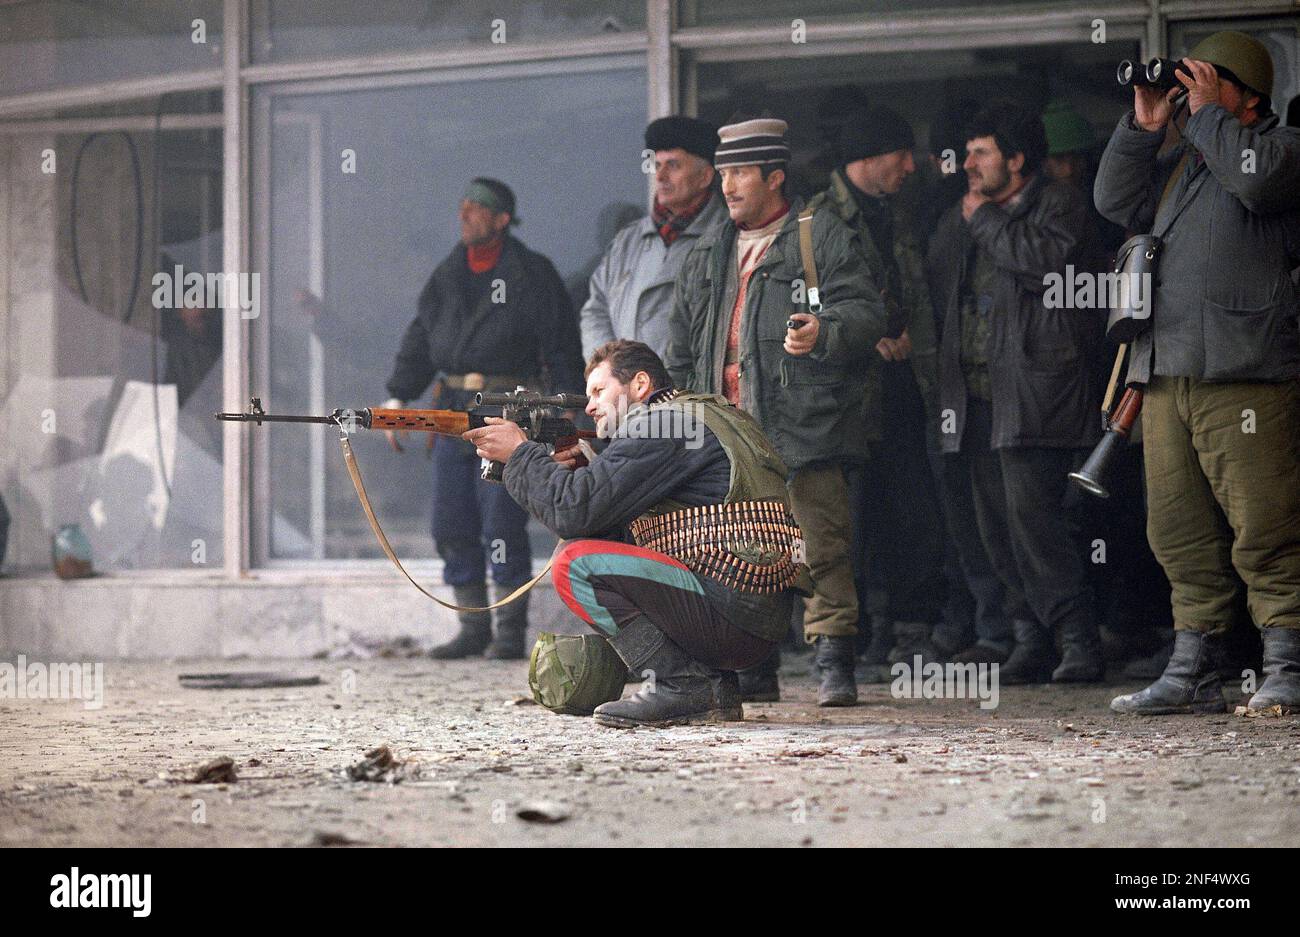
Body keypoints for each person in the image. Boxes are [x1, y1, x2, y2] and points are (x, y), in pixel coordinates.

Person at [1095, 31, 1300, 714]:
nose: (1190, 98)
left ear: (1245, 94)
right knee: (1177, 531)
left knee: (1267, 523)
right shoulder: (1184, 161)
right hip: (1166, 369)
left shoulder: (1280, 150)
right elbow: (1109, 198)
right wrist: (1142, 126)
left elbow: (1259, 181)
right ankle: (1195, 668)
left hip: (1247, 369)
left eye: (1206, 85)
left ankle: (1286, 664)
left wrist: (1209, 112)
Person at [464, 339, 809, 727]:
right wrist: (577, 472)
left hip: (732, 612)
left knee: (575, 563)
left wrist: (521, 454)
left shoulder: (663, 423)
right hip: (755, 617)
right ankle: (712, 688)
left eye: (599, 390)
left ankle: (680, 685)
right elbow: (620, 520)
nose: (590, 406)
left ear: (640, 384)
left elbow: (573, 513)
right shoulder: (707, 415)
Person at [666, 116, 887, 706]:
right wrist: (681, 419)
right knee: (741, 551)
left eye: (741, 173)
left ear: (775, 177)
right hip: (728, 432)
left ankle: (834, 662)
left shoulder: (820, 235)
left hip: (803, 423)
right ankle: (753, 664)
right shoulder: (708, 251)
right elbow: (682, 350)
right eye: (724, 173)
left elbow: (868, 313)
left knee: (820, 544)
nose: (728, 185)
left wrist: (825, 329)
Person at [928, 100, 1104, 684]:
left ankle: (1077, 641)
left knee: (1039, 526)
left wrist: (982, 220)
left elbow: (1045, 262)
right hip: (973, 398)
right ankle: (1029, 638)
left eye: (981, 152)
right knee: (994, 529)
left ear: (1019, 159)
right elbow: (938, 283)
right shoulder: (964, 213)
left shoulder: (1060, 204)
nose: (969, 164)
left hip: (1032, 395)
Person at [384, 177, 583, 660]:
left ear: (502, 219)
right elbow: (420, 335)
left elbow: (561, 347)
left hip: (507, 409)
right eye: (464, 205)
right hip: (451, 411)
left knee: (502, 522)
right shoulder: (449, 274)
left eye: (479, 208)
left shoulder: (533, 273)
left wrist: (568, 416)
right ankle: (472, 628)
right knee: (451, 522)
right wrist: (397, 398)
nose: (466, 214)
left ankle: (510, 634)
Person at [805, 104, 947, 679]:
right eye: (900, 154)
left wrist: (913, 333)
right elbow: (810, 312)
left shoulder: (899, 211)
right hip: (847, 397)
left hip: (906, 389)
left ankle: (910, 631)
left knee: (912, 512)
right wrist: (868, 339)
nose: (911, 166)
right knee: (851, 522)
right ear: (870, 157)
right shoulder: (816, 223)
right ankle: (855, 639)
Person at [579, 116, 727, 360]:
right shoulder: (628, 240)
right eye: (657, 165)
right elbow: (596, 309)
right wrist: (610, 370)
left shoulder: (727, 236)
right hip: (625, 392)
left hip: (687, 394)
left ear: (705, 177)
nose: (660, 176)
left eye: (673, 165)